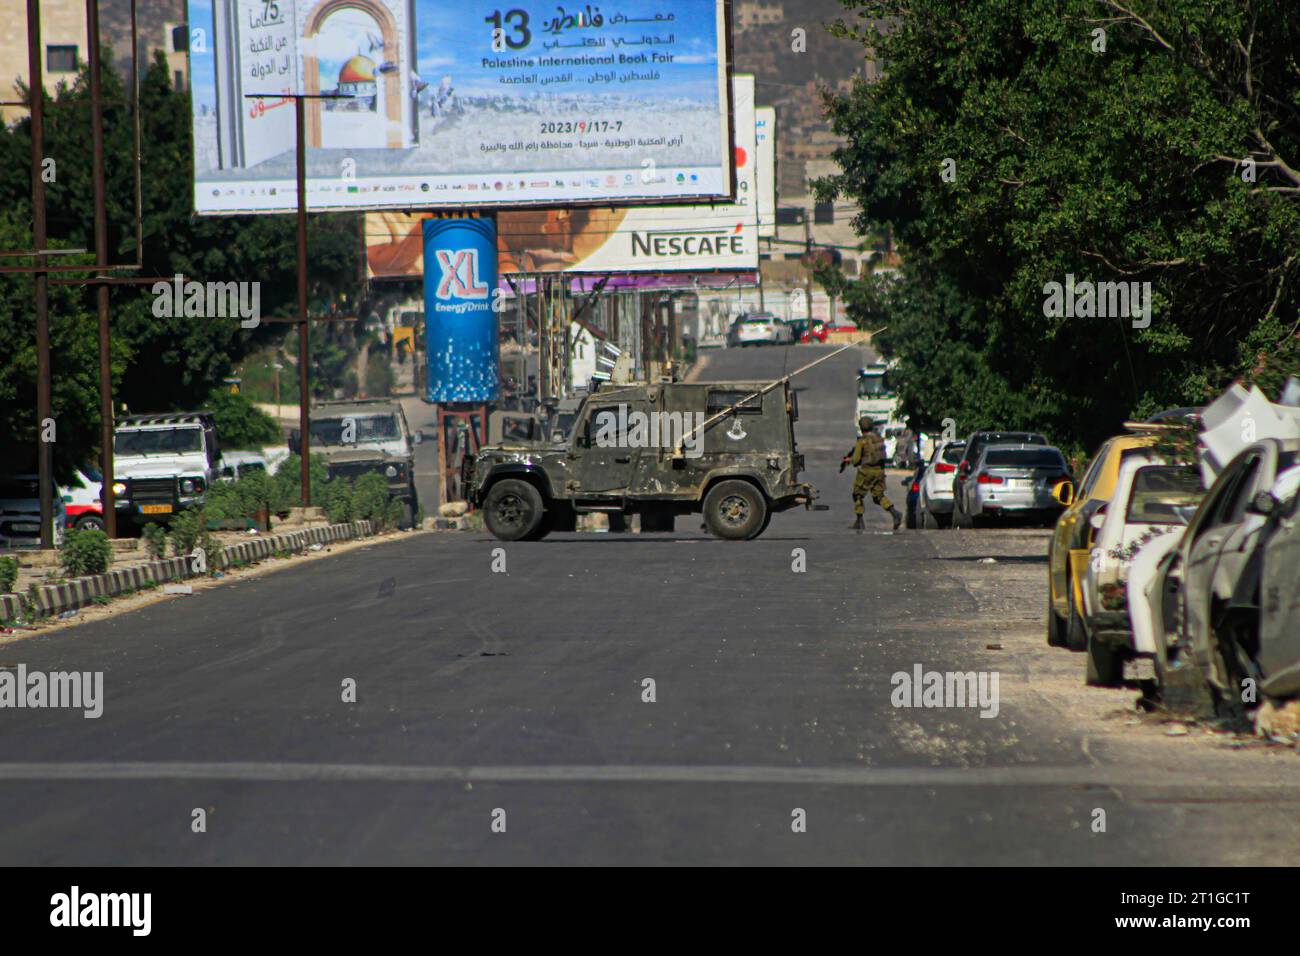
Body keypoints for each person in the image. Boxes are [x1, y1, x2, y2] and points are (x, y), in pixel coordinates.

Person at [841, 416, 903, 532]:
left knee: (857, 494)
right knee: (878, 496)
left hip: (866, 471)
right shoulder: (879, 438)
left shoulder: (862, 441)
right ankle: (895, 513)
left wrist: (848, 460)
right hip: (879, 471)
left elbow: (855, 460)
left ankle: (859, 521)